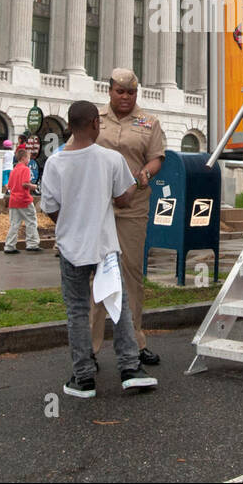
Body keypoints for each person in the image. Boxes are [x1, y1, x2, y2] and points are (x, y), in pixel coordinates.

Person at [41, 100, 157, 398]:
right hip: (105, 246)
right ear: (95, 123)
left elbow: (51, 207)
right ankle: (130, 368)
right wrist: (138, 183)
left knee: (77, 310)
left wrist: (68, 222)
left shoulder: (55, 162)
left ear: (69, 127)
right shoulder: (110, 159)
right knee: (116, 303)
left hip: (70, 247)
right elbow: (123, 200)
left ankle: (83, 377)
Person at [89, 67, 166, 366]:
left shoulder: (149, 122)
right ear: (109, 91)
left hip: (133, 206)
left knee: (131, 273)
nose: (126, 97)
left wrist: (146, 173)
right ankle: (90, 348)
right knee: (97, 275)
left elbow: (157, 156)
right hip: (99, 206)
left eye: (131, 92)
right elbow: (79, 150)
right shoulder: (95, 120)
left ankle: (136, 341)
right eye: (120, 91)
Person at [3, 145, 41, 254]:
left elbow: (8, 186)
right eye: (28, 158)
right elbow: (25, 184)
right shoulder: (25, 169)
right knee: (31, 221)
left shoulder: (14, 170)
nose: (29, 160)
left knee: (14, 224)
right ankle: (32, 244)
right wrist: (33, 186)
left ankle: (9, 245)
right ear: (24, 158)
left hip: (13, 200)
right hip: (24, 199)